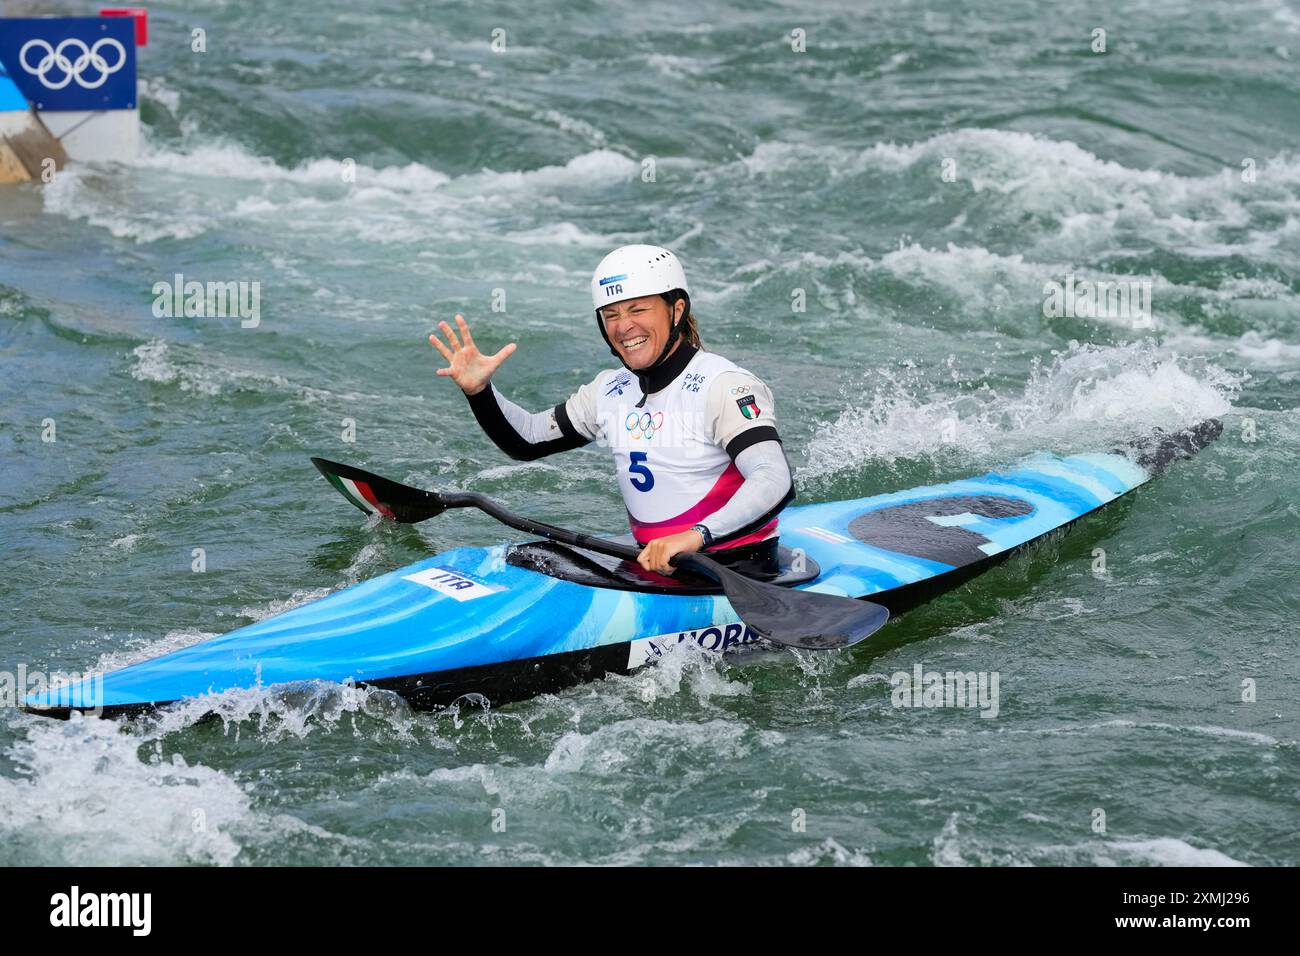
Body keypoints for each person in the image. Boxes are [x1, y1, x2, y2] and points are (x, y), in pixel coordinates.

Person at [429, 244, 794, 578]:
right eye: (611, 314)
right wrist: (480, 391)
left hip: (737, 569)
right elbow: (527, 440)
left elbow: (773, 478)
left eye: (638, 309)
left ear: (676, 310)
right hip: (651, 565)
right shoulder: (609, 389)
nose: (623, 326)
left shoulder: (725, 386)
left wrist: (697, 536)